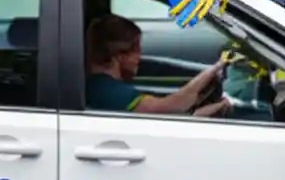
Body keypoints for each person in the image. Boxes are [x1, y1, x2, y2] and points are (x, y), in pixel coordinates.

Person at [85, 14, 232, 117]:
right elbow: (172, 106)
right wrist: (215, 68)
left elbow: (173, 113)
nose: (140, 57)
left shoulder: (98, 86)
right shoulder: (110, 92)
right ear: (120, 55)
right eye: (137, 50)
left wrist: (198, 114)